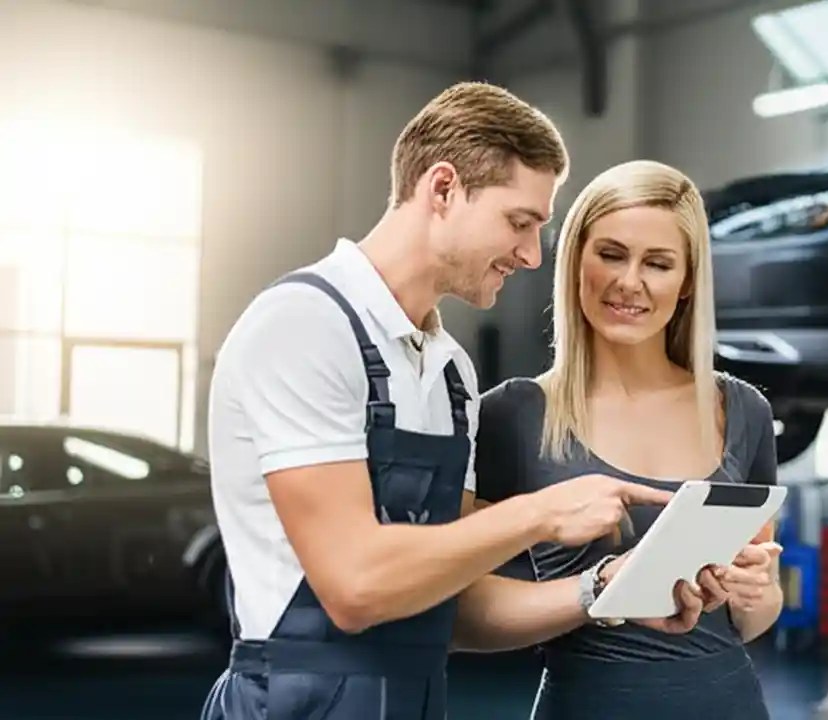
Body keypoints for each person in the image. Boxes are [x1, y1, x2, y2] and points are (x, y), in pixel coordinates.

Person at [199, 83, 700, 720]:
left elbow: (452, 604)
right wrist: (538, 515)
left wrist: (603, 590)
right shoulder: (303, 326)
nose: (529, 255)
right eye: (520, 223)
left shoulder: (451, 373)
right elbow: (356, 586)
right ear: (442, 190)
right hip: (295, 702)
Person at [473, 159, 785, 720]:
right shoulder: (512, 416)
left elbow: (753, 617)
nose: (629, 282)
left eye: (658, 263)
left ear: (687, 280)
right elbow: (465, 618)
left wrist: (759, 595)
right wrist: (595, 592)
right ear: (575, 262)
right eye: (611, 254)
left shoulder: (742, 412)